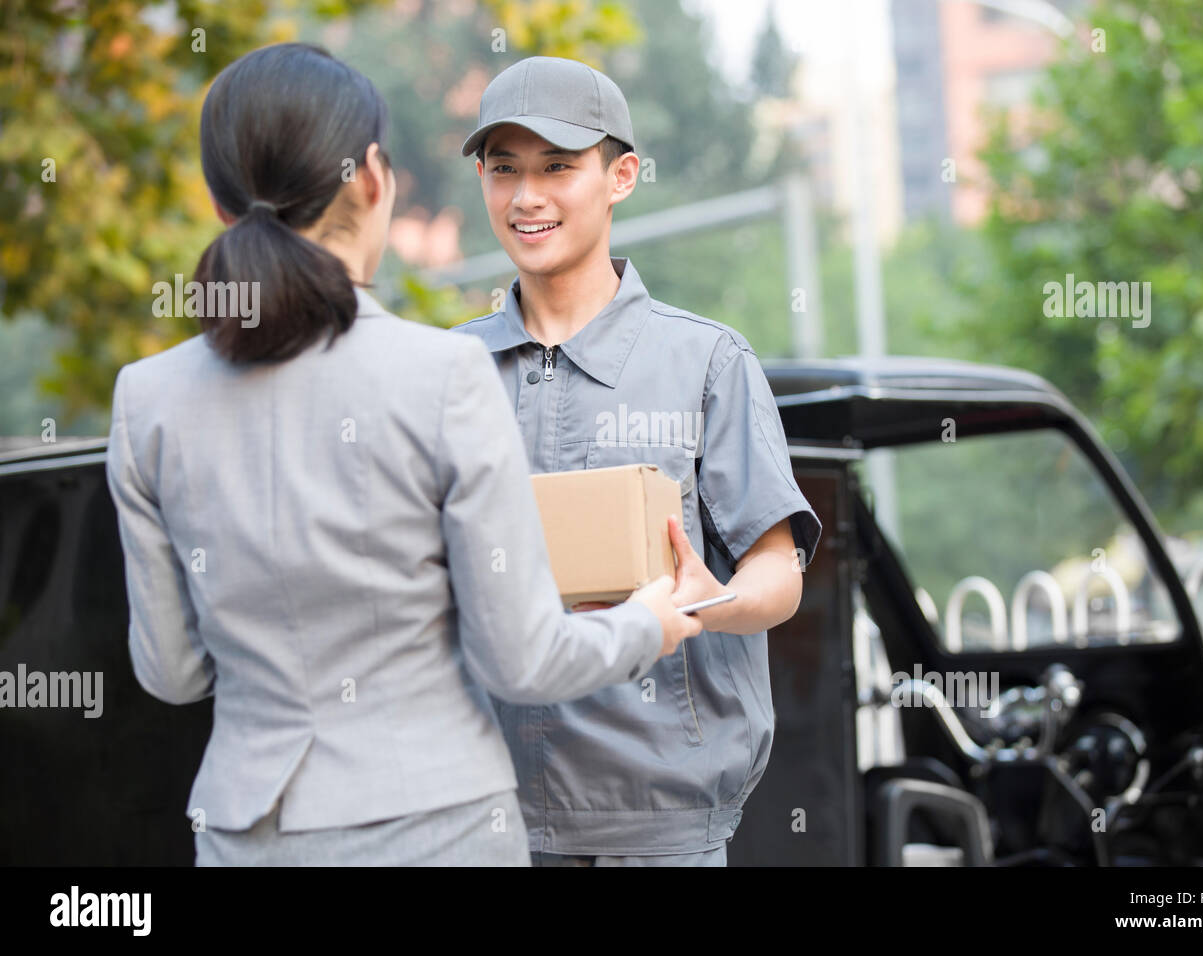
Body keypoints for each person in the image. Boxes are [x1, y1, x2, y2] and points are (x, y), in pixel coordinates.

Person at [105, 42, 701, 867]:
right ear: (374, 179)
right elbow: (523, 658)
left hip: (248, 835)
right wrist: (648, 624)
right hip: (437, 829)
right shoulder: (444, 374)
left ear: (219, 204)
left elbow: (171, 672)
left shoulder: (147, 401)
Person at [455, 56, 823, 866]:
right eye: (503, 169)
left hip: (659, 827)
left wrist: (710, 602)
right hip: (485, 824)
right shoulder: (444, 373)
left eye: (557, 167)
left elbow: (780, 574)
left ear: (621, 176)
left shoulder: (705, 362)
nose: (527, 197)